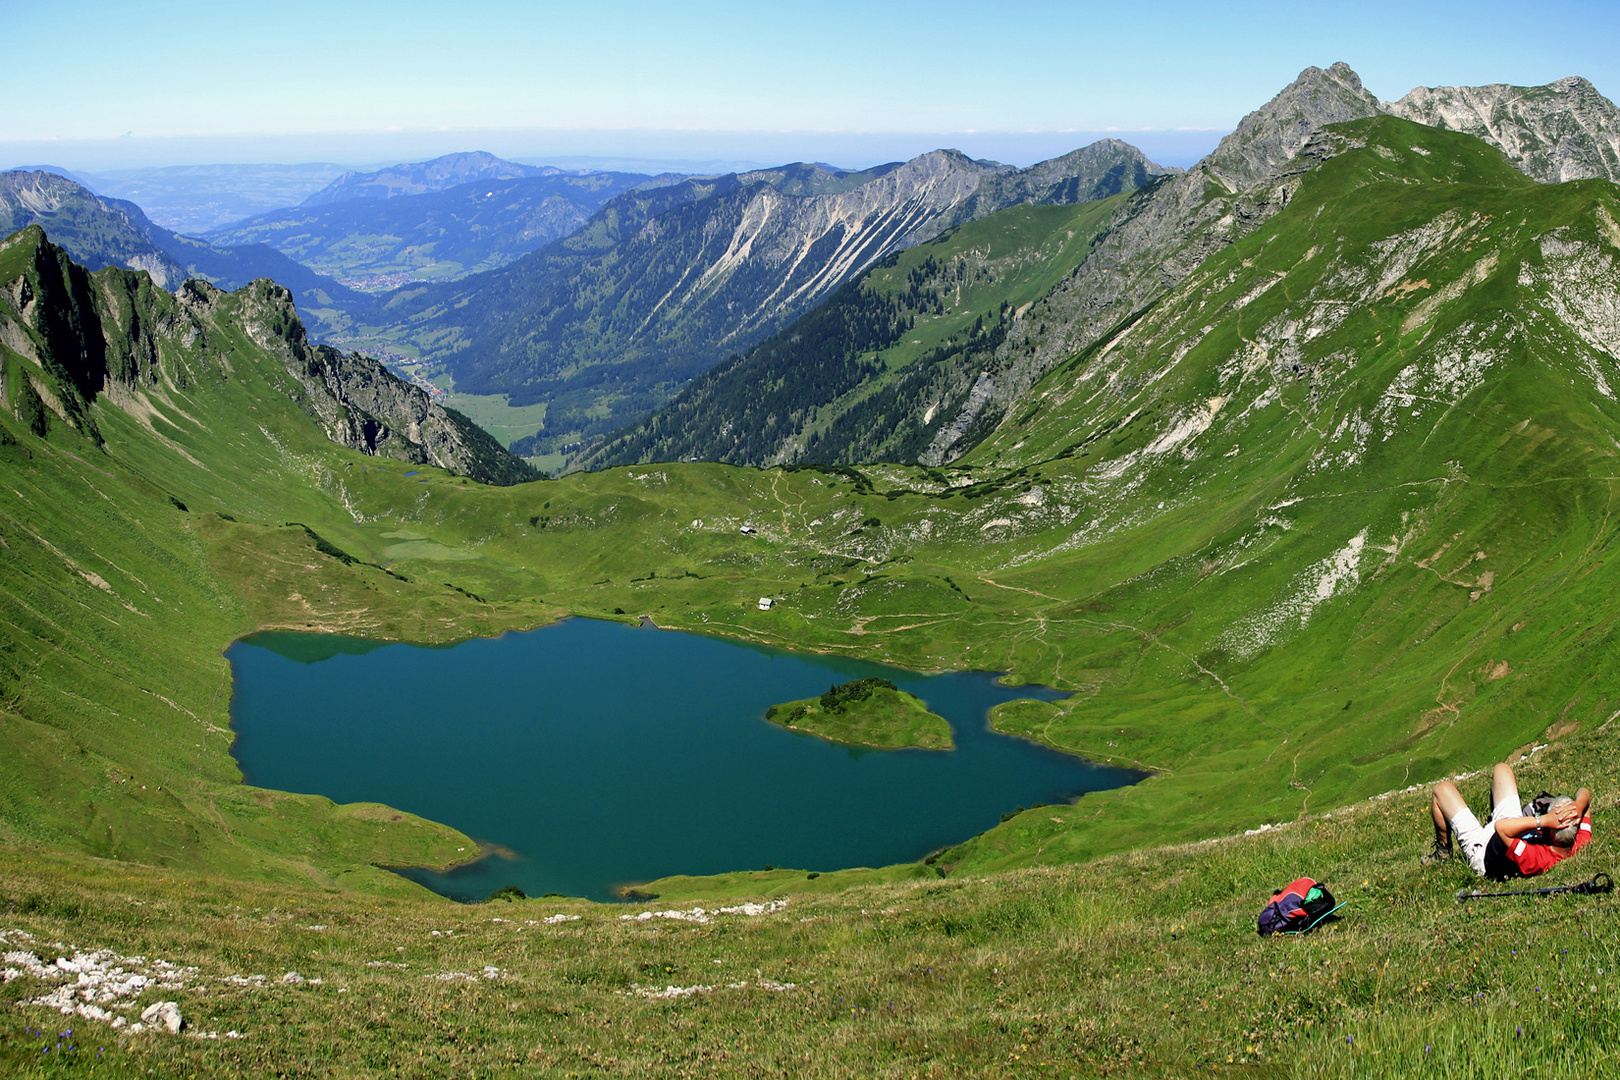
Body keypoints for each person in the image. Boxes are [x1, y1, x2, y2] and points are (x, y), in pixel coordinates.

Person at [1423, 761, 1592, 880]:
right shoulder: (1578, 841)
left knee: (1441, 790)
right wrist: (1578, 805)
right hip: (1515, 825)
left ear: (1550, 831)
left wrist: (1544, 820)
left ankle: (1443, 852)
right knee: (1502, 769)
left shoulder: (1538, 858)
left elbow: (1501, 828)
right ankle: (1491, 816)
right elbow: (1585, 793)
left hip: (1483, 851)